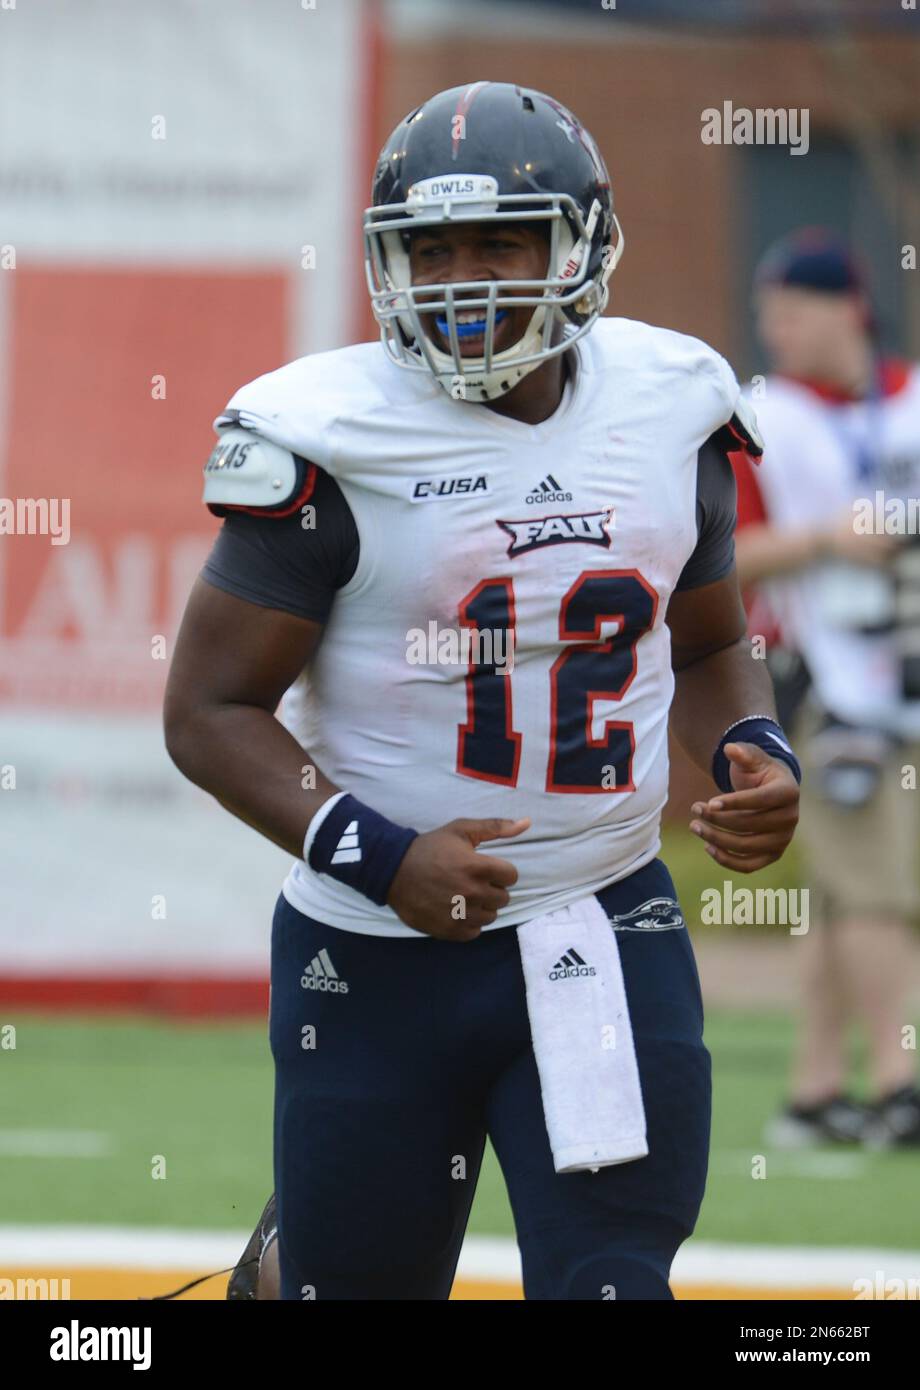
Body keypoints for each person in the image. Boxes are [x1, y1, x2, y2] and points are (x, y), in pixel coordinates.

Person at [164, 81, 799, 1301]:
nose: (461, 279)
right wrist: (379, 853)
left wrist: (752, 747)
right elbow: (205, 712)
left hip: (600, 922)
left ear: (580, 245)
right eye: (430, 248)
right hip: (374, 950)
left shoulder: (669, 407)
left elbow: (710, 640)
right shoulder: (327, 438)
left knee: (613, 1282)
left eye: (501, 241)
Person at [733, 227, 920, 1148]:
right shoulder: (761, 416)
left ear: (849, 308)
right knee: (877, 885)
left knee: (848, 894)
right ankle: (899, 1083)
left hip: (907, 666)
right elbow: (720, 556)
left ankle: (813, 1094)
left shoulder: (912, 400)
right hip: (826, 677)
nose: (775, 332)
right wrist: (826, 541)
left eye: (791, 311)